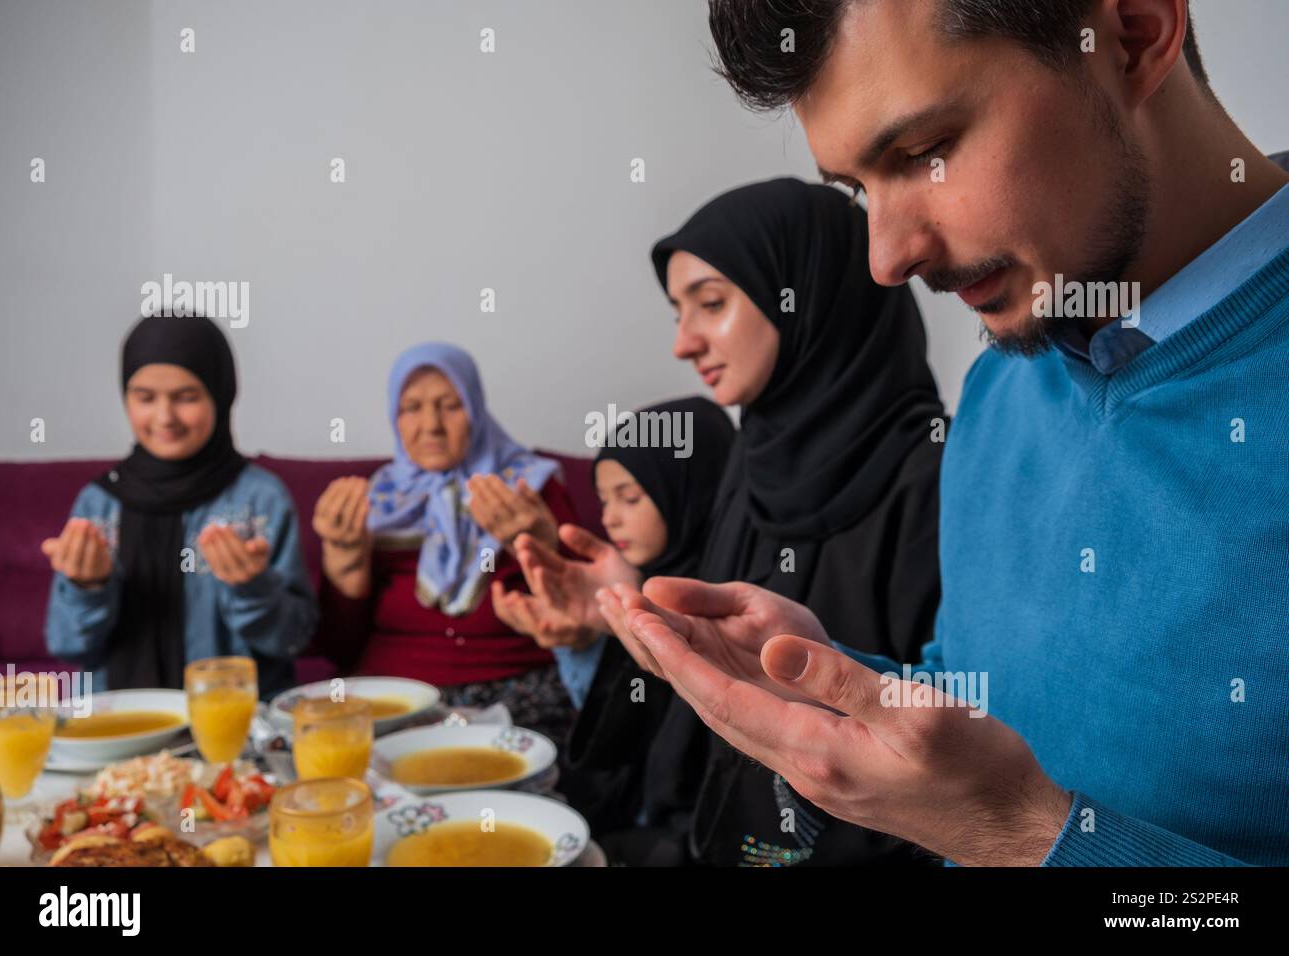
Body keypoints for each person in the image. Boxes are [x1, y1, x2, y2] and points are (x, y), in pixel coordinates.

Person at [617, 0, 1289, 866]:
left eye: (924, 153)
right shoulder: (999, 388)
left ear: (1134, 33)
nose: (886, 258)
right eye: (857, 189)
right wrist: (831, 690)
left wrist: (1027, 837)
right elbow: (995, 702)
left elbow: (1011, 811)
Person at [516, 179, 948, 865]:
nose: (683, 344)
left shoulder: (931, 475)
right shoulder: (753, 459)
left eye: (711, 304)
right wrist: (627, 608)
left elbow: (944, 733)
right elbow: (725, 666)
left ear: (806, 291)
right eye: (677, 312)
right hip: (714, 834)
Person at [491, 397, 736, 842]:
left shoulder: (728, 593)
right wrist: (581, 637)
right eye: (604, 499)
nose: (609, 517)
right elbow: (613, 729)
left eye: (629, 498)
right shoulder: (635, 577)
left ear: (686, 488)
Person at [312, 342, 580, 743]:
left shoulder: (528, 489)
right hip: (393, 694)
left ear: (476, 409)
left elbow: (584, 618)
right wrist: (344, 561)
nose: (432, 425)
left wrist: (541, 547)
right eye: (412, 408)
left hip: (515, 690)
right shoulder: (374, 501)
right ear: (395, 417)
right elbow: (339, 649)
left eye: (451, 405)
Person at [43, 314, 317, 698]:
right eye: (145, 397)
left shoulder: (260, 499)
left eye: (186, 397)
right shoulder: (100, 503)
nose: (164, 417)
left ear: (221, 395)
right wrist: (88, 587)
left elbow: (292, 640)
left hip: (236, 731)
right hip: (121, 735)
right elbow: (67, 645)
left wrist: (252, 589)